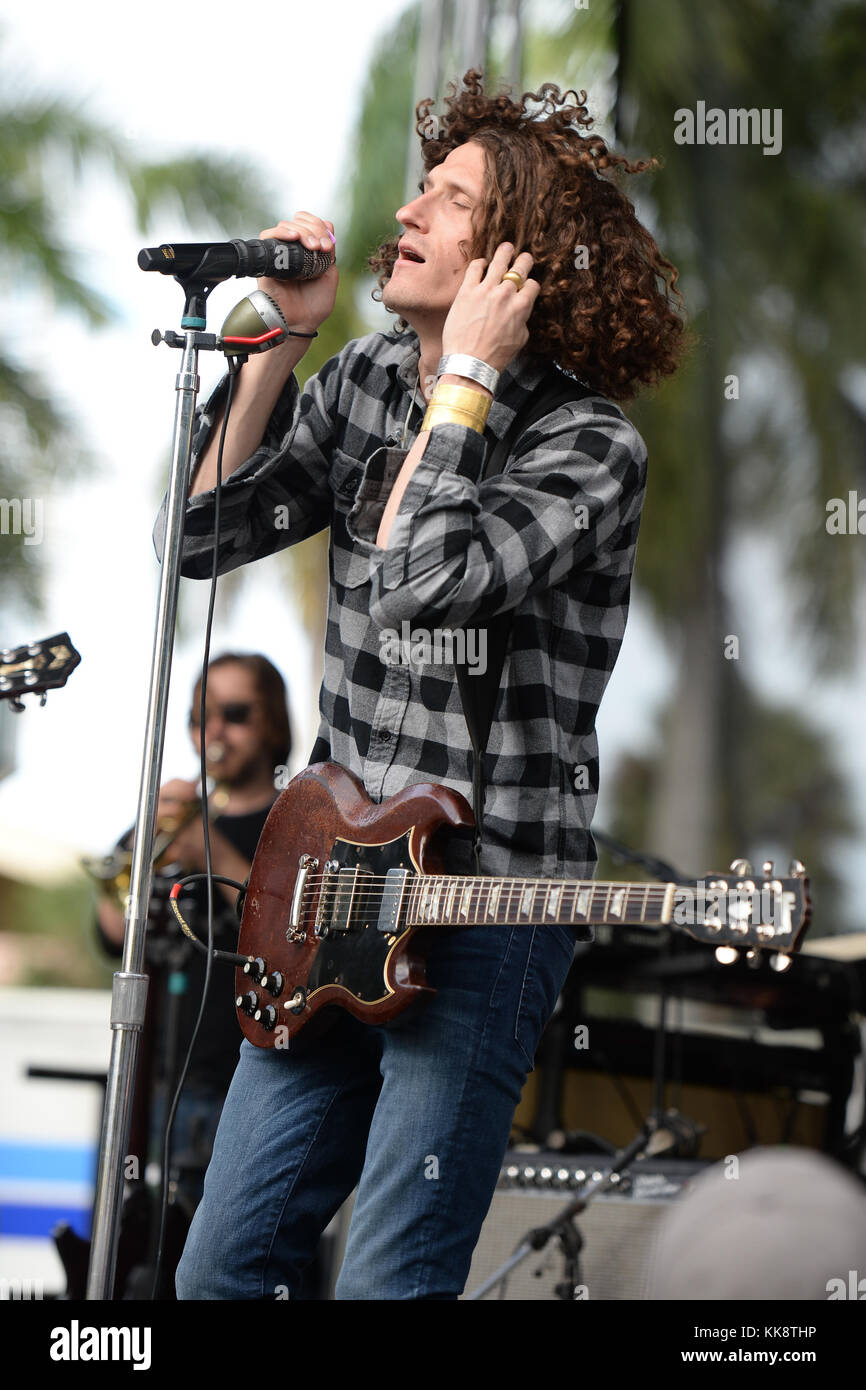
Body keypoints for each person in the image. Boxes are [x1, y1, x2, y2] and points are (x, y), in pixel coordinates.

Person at [163, 70, 685, 1300]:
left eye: (447, 200)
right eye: (422, 186)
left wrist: (466, 380)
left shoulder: (586, 444)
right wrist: (282, 340)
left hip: (483, 910)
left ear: (514, 256)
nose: (406, 211)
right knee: (220, 1273)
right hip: (328, 892)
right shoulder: (355, 382)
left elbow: (423, 580)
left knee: (389, 1282)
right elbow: (196, 540)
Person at [95, 653, 290, 1219]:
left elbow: (283, 930)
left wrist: (212, 850)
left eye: (234, 713)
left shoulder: (290, 820)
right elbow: (110, 933)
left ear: (272, 723)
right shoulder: (173, 814)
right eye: (200, 715)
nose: (214, 731)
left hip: (241, 1079)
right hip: (149, 1079)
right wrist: (143, 844)